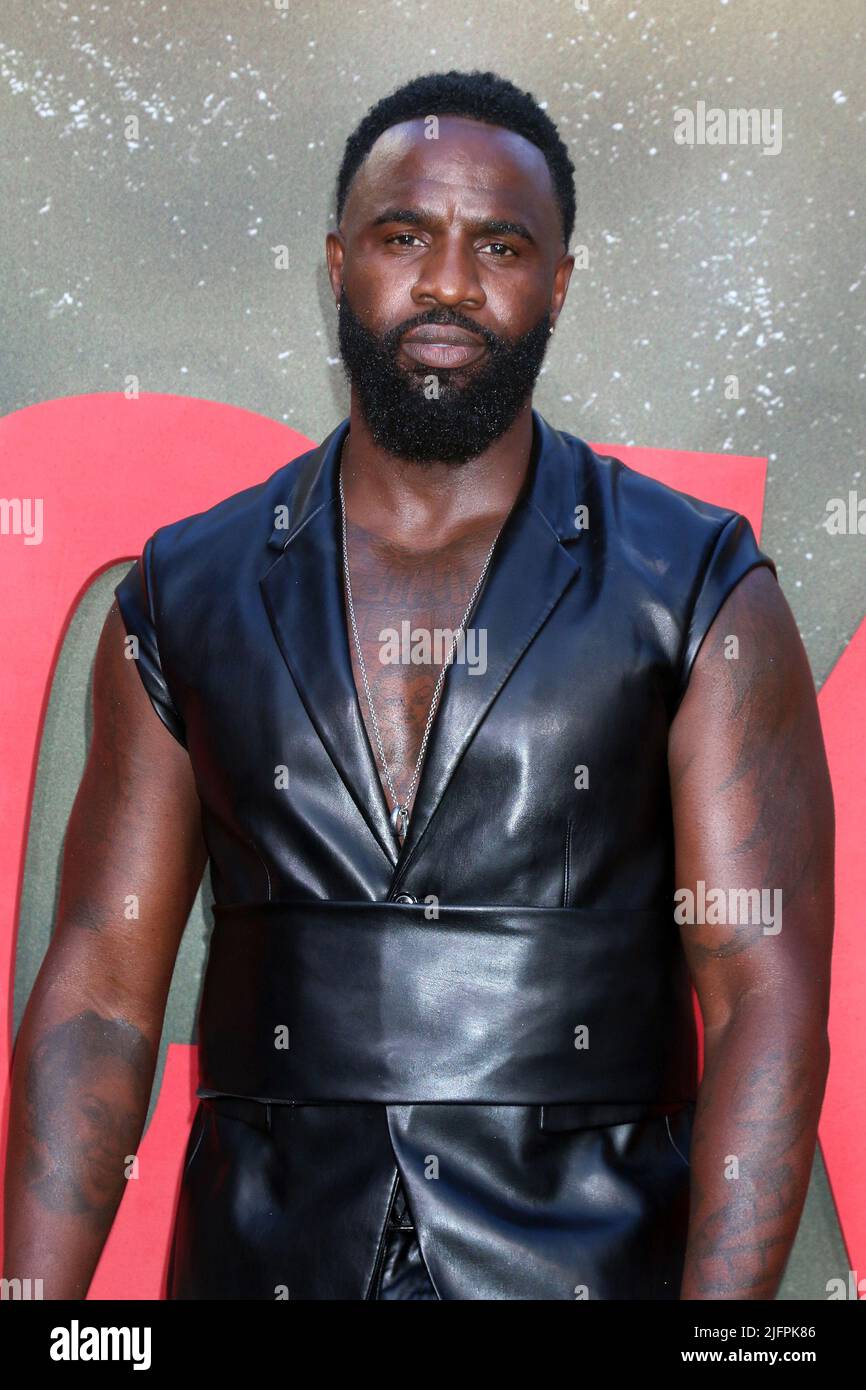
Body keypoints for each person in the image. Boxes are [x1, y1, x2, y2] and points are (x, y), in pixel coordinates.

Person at [3, 69, 834, 1301]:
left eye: (498, 244)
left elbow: (759, 993)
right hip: (256, 1268)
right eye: (405, 236)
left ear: (558, 281)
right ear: (337, 262)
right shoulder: (186, 593)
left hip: (591, 1275)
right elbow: (104, 992)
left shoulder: (697, 585)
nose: (447, 281)